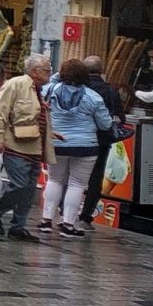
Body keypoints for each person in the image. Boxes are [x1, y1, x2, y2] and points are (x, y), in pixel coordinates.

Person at [0, 53, 55, 241]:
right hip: (16, 146)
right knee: (20, 186)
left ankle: (18, 226)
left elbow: (32, 118)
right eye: (46, 70)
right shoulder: (15, 84)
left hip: (36, 148)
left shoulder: (39, 90)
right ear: (34, 71)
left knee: (30, 189)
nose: (50, 73)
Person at [40, 57, 112, 238]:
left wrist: (62, 74)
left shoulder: (50, 90)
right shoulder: (93, 96)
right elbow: (105, 125)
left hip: (56, 143)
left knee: (55, 180)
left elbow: (48, 88)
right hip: (85, 146)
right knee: (77, 184)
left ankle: (46, 220)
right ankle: (68, 224)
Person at [80, 55, 125, 227]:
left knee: (72, 178)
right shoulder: (109, 90)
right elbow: (119, 116)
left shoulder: (75, 88)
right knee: (95, 178)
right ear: (102, 70)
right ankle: (85, 216)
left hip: (76, 140)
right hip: (101, 140)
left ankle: (64, 213)